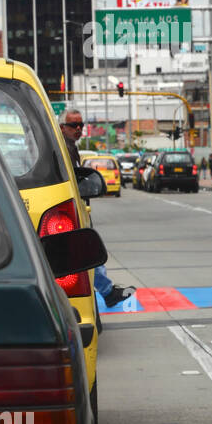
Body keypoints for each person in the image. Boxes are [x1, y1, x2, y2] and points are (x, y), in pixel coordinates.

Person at [60, 109, 133, 307]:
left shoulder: (70, 147)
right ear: (62, 127)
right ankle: (107, 293)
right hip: (70, 207)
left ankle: (107, 292)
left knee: (89, 250)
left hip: (78, 206)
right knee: (89, 251)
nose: (78, 129)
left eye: (81, 125)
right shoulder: (63, 148)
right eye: (73, 125)